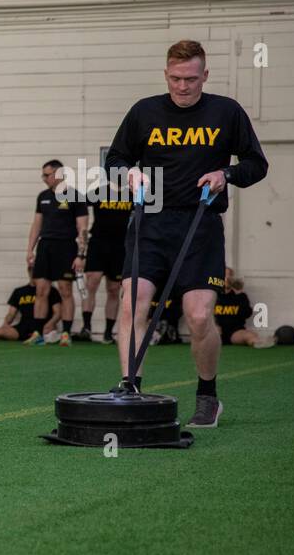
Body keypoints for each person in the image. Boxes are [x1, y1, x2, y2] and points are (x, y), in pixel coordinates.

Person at [105, 39, 268, 427]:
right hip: (151, 222)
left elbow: (257, 164)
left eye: (191, 79)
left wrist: (225, 174)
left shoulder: (226, 112)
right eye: (176, 79)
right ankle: (131, 388)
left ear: (205, 76)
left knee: (197, 317)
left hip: (200, 224)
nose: (183, 86)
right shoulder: (143, 112)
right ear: (166, 75)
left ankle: (208, 396)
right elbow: (114, 159)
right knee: (132, 304)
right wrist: (128, 172)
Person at [25, 159, 88, 347]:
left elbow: (83, 228)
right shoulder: (42, 196)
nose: (43, 178)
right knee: (41, 290)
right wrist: (30, 250)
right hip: (45, 247)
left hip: (66, 247)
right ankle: (38, 333)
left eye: (47, 175)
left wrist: (81, 255)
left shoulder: (76, 196)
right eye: (43, 174)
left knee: (65, 290)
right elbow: (37, 224)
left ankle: (66, 334)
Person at [82, 192, 132, 342]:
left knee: (114, 289)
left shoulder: (131, 194)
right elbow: (77, 207)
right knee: (92, 282)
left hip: (119, 246)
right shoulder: (98, 192)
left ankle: (108, 332)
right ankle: (86, 327)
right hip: (98, 243)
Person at [213, 268, 271, 348]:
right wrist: (213, 325)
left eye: (229, 276)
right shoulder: (212, 296)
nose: (227, 278)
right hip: (216, 332)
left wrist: (239, 294)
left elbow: (247, 314)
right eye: (224, 276)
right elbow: (204, 314)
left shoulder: (241, 296)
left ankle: (258, 342)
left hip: (235, 332)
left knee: (249, 335)